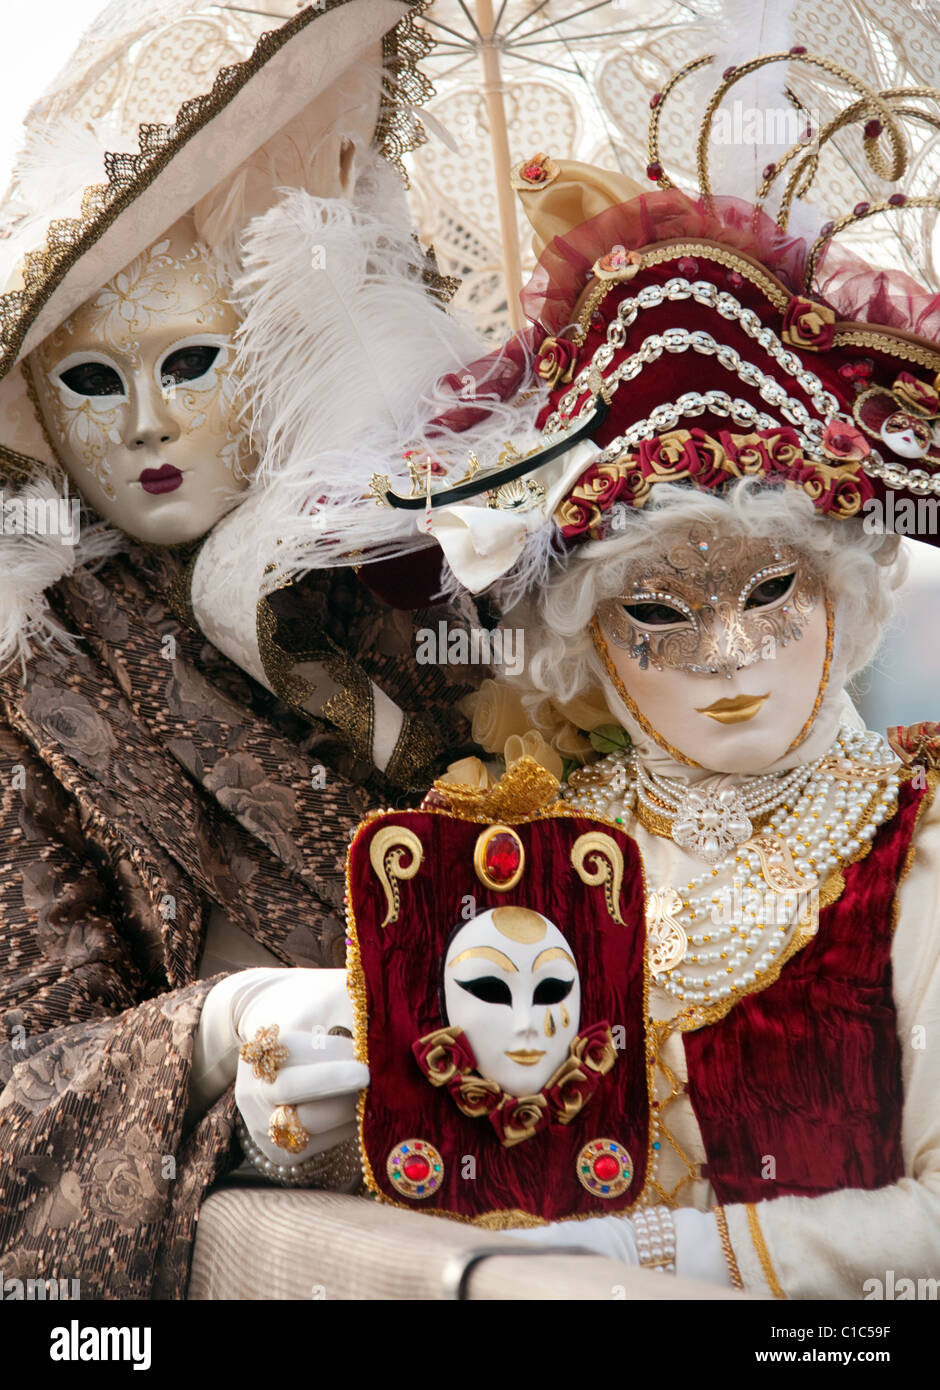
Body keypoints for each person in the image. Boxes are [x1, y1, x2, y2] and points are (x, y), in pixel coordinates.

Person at [266, 45, 940, 1298]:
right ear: (585, 634)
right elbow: (452, 1144)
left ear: (846, 590)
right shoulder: (535, 839)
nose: (727, 652)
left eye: (769, 590)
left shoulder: (920, 845)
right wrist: (304, 1109)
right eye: (655, 611)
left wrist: (673, 1253)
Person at [0, 0, 517, 1299]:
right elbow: (24, 1076)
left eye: (191, 358)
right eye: (92, 381)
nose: (152, 422)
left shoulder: (417, 571)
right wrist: (226, 1035)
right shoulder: (31, 678)